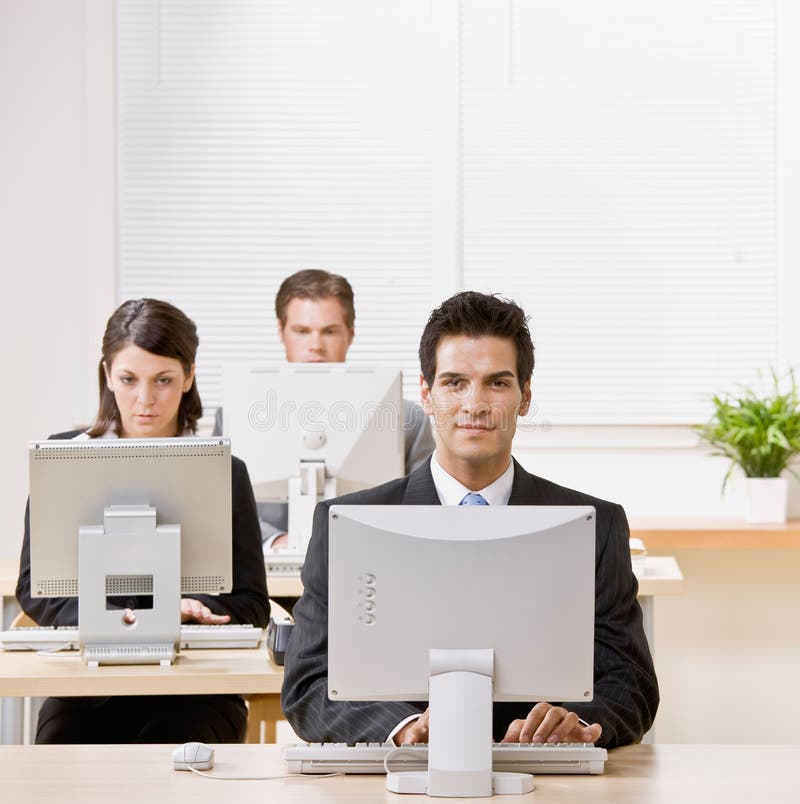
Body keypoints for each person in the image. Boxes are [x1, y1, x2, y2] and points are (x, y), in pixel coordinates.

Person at [281, 291, 658, 748]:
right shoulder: (349, 523)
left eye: (497, 383)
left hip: (544, 777)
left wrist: (575, 723)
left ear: (525, 397)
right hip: (403, 779)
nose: (474, 403)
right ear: (426, 393)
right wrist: (403, 729)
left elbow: (631, 684)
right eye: (455, 382)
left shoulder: (596, 525)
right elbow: (308, 686)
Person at [16, 298, 270, 744]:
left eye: (164, 380)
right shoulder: (62, 458)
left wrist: (190, 611)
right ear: (108, 375)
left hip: (197, 688)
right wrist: (132, 616)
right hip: (87, 687)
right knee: (64, 755)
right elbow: (35, 587)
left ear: (189, 376)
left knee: (175, 750)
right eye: (129, 379)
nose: (145, 399)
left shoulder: (225, 470)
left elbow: (250, 601)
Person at [213, 269, 435, 550]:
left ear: (350, 334)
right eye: (302, 331)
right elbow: (218, 505)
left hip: (369, 560)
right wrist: (277, 541)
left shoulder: (407, 420)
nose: (315, 346)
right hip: (266, 570)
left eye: (329, 332)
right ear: (282, 332)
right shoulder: (236, 414)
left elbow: (424, 509)